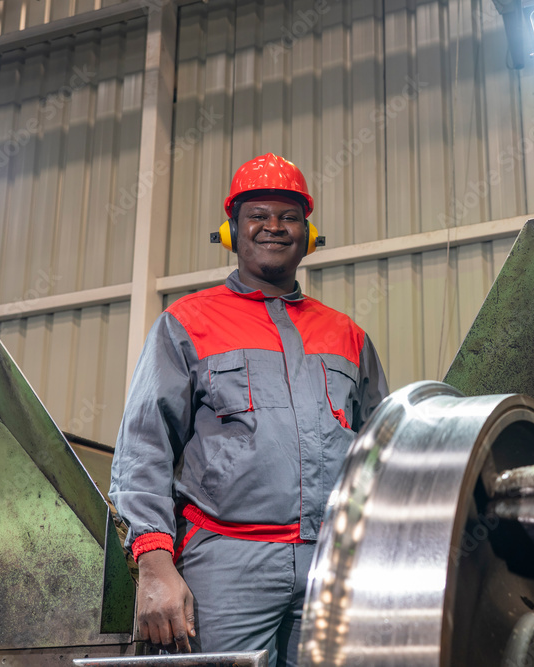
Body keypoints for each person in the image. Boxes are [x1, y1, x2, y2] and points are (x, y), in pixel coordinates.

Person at [109, 153, 389, 665]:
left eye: (289, 216)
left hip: (336, 562)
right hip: (224, 563)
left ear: (309, 233)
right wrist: (154, 563)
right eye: (258, 214)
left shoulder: (349, 336)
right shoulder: (186, 324)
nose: (274, 227)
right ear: (231, 230)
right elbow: (143, 447)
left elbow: (383, 457)